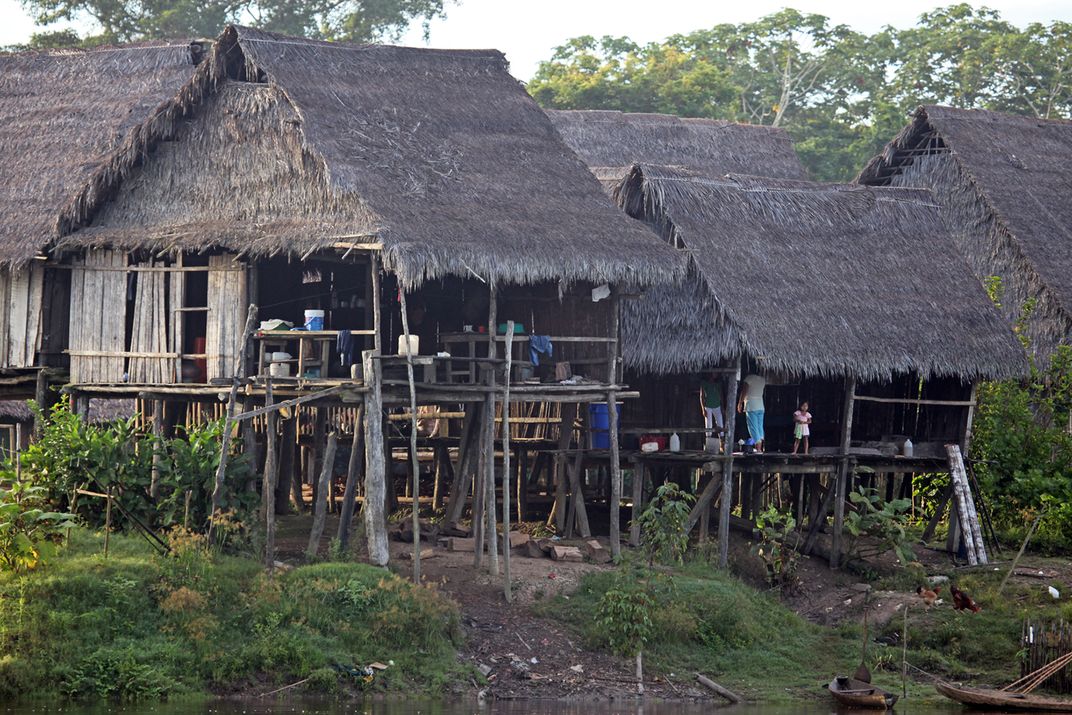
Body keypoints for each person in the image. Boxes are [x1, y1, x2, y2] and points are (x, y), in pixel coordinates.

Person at [737, 373, 766, 452]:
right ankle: (760, 448)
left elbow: (744, 391)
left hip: (752, 405)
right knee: (759, 427)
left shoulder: (749, 378)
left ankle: (759, 449)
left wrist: (740, 403)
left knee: (753, 428)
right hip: (760, 405)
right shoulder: (762, 379)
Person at [699, 373, 724, 452]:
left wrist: (722, 407)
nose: (715, 375)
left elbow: (721, 395)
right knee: (709, 424)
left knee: (720, 423)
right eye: (713, 373)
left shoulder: (718, 384)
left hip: (717, 405)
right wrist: (703, 408)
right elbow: (701, 396)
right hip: (708, 406)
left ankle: (722, 445)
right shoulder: (704, 383)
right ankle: (708, 444)